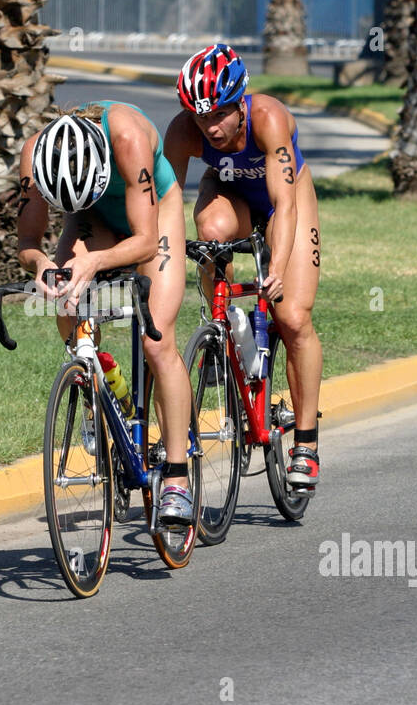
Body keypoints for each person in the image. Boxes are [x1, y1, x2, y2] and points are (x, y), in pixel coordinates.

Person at [16, 103, 195, 525]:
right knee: (67, 297)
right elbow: (27, 241)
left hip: (154, 215)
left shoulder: (127, 138)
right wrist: (42, 264)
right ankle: (101, 385)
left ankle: (176, 479)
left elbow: (147, 242)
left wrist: (96, 263)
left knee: (157, 339)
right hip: (90, 213)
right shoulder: (34, 154)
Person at [163, 43, 324, 489]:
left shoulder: (268, 118)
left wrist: (278, 267)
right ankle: (224, 329)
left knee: (291, 316)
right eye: (200, 117)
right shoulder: (183, 131)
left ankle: (306, 443)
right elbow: (165, 203)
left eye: (218, 114)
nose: (210, 127)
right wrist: (163, 257)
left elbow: (284, 206)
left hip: (285, 199)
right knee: (211, 233)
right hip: (230, 190)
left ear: (239, 103)